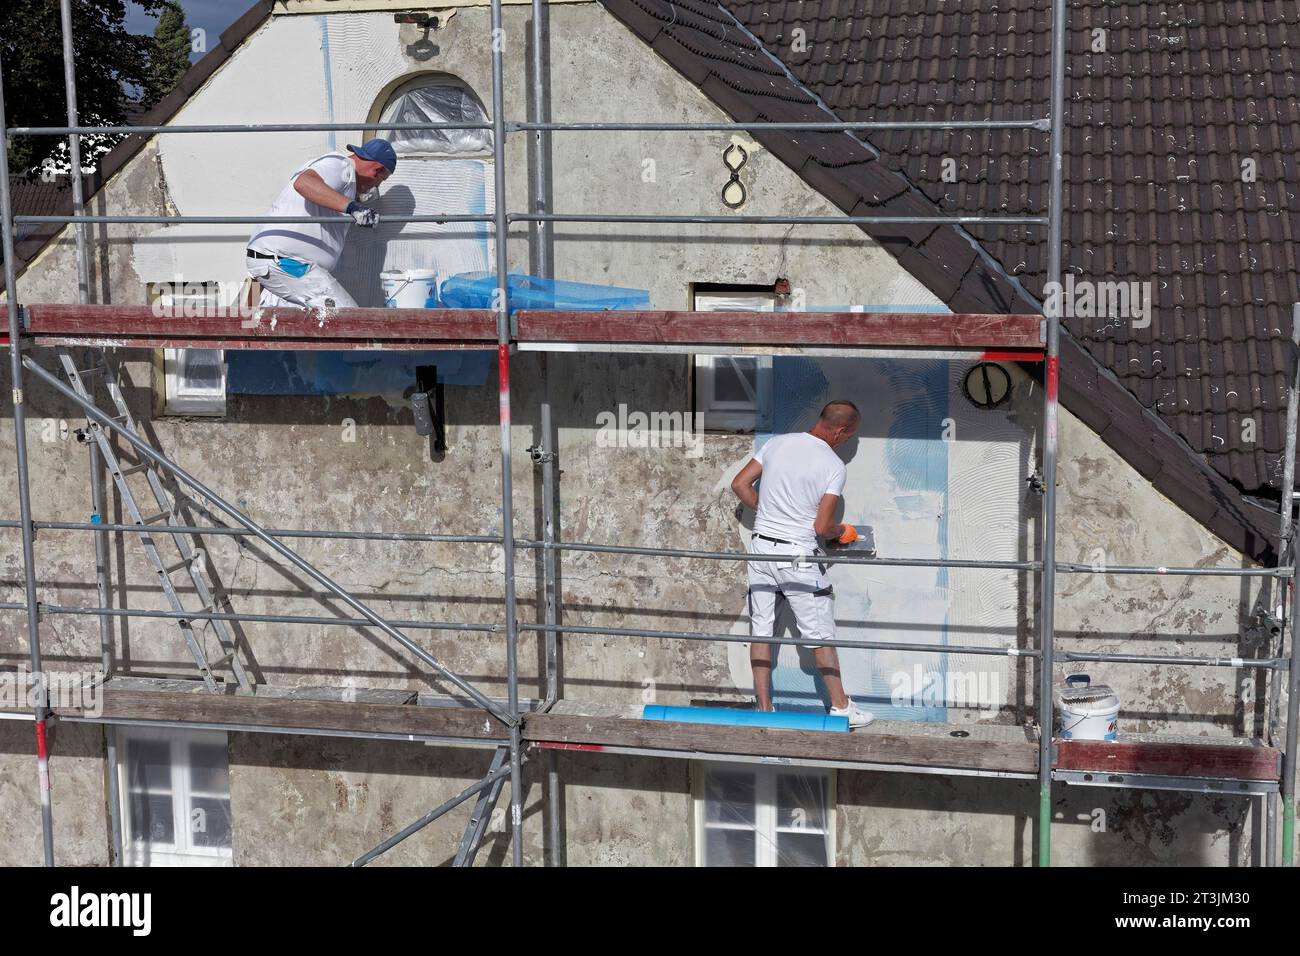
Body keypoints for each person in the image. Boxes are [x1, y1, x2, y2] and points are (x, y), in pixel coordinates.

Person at [730, 400, 873, 728]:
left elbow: (739, 484)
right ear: (839, 431)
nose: (845, 442)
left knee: (762, 630)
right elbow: (822, 528)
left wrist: (766, 511)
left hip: (761, 552)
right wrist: (844, 532)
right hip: (797, 557)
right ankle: (841, 707)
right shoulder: (834, 466)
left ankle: (764, 709)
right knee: (819, 634)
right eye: (848, 437)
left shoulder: (777, 443)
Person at [246, 139, 397, 309]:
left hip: (278, 265)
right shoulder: (341, 165)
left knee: (269, 327)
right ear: (377, 171)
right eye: (382, 180)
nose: (376, 186)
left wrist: (248, 311)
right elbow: (304, 183)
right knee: (347, 319)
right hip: (287, 264)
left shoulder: (341, 182)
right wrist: (353, 207)